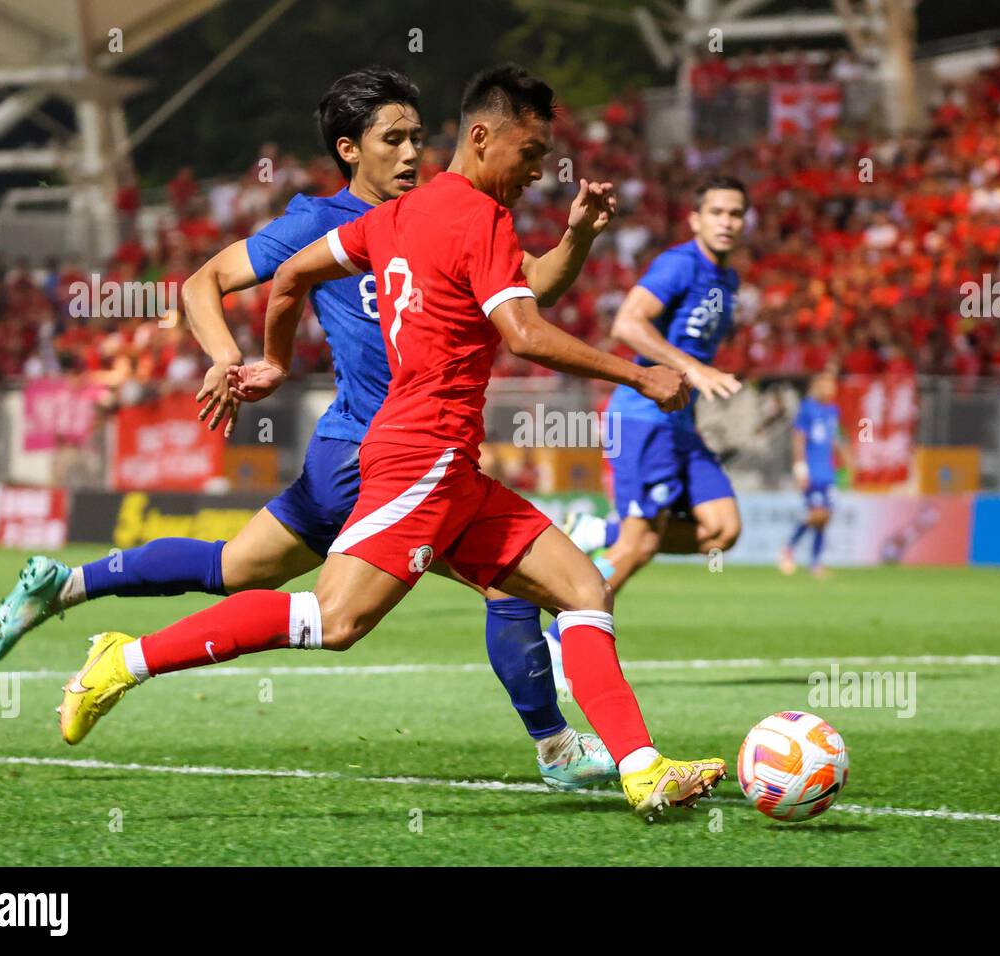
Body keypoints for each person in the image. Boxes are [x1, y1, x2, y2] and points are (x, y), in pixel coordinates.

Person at [56, 64, 726, 821]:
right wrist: (639, 377)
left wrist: (275, 359)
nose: (541, 171)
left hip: (448, 463)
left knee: (582, 588)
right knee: (332, 622)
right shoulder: (477, 217)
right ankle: (125, 659)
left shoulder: (403, 214)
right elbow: (524, 331)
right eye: (532, 153)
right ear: (482, 136)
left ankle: (641, 768)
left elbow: (294, 278)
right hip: (418, 453)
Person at [547, 178, 748, 663]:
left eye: (736, 214)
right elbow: (628, 325)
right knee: (642, 545)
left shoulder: (729, 280)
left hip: (680, 423)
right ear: (695, 220)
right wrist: (694, 370)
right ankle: (558, 641)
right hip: (643, 417)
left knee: (723, 530)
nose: (727, 221)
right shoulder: (680, 264)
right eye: (716, 212)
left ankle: (602, 531)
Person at [780, 370, 844, 578]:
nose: (832, 389)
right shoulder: (808, 408)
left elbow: (833, 438)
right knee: (817, 514)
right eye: (828, 385)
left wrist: (846, 457)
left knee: (825, 518)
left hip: (827, 471)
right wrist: (800, 468)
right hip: (813, 470)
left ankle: (815, 563)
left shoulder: (833, 410)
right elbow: (798, 439)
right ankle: (789, 547)